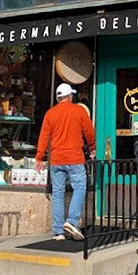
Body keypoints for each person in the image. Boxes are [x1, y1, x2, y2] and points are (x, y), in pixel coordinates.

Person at [35, 82, 96, 241]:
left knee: (58, 193)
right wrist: (92, 147)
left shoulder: (50, 114)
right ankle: (72, 221)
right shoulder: (79, 111)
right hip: (75, 158)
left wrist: (39, 157)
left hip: (56, 159)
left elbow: (43, 137)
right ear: (70, 96)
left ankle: (58, 231)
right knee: (80, 187)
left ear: (58, 97)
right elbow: (89, 132)